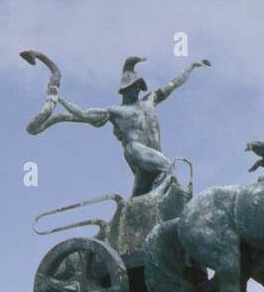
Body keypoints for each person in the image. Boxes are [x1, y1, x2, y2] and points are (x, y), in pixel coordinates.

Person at [27, 55, 211, 197]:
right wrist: (60, 100)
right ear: (125, 89)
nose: (137, 90)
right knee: (168, 168)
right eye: (133, 87)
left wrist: (191, 67)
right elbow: (84, 114)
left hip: (152, 152)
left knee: (139, 195)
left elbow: (173, 84)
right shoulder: (115, 111)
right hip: (136, 150)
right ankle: (153, 198)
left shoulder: (150, 101)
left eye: (139, 87)